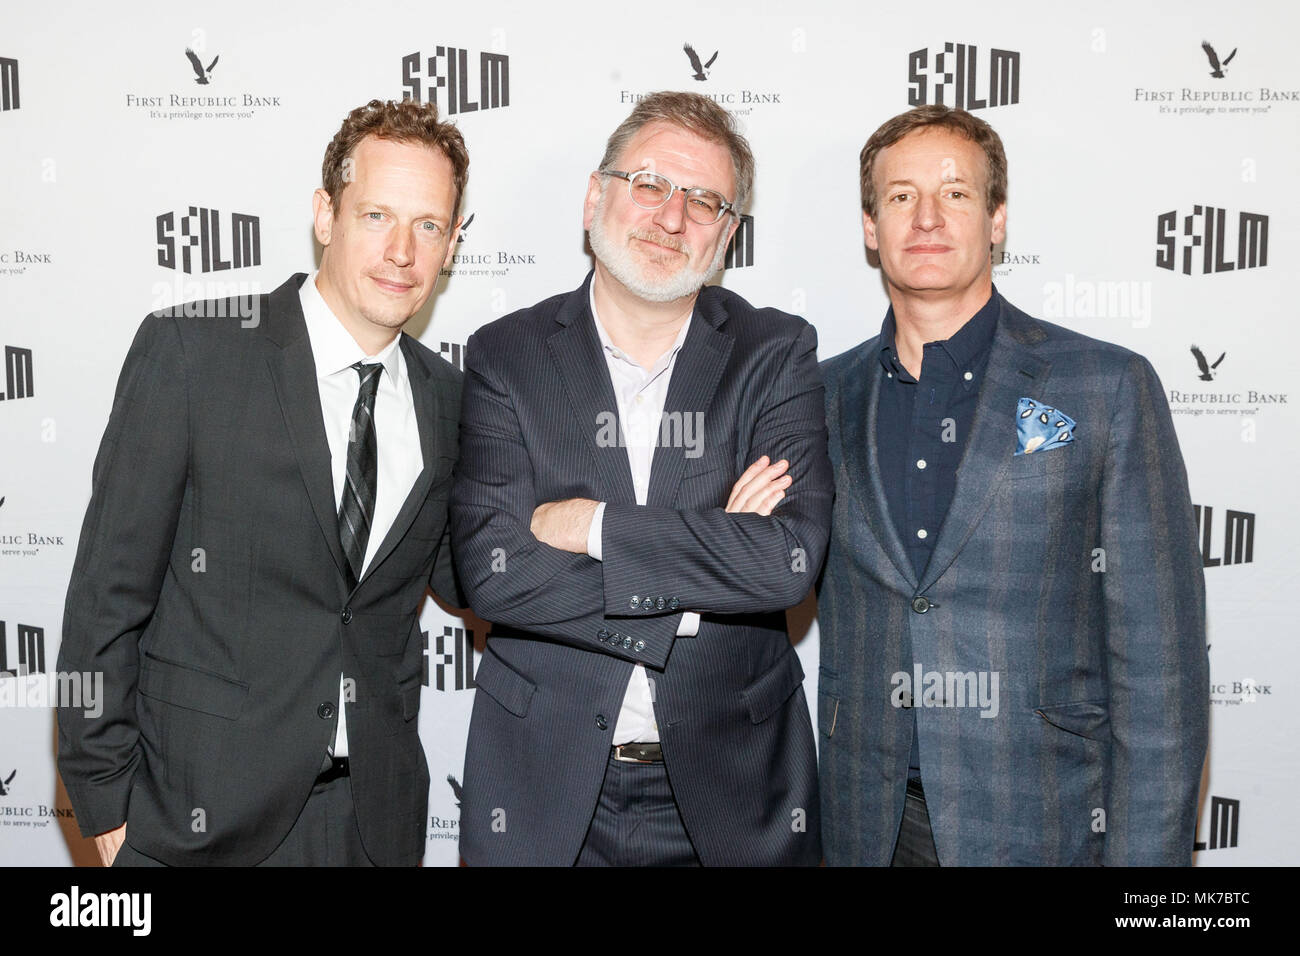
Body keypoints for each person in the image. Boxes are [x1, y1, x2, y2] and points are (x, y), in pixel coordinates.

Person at [56, 98, 467, 866]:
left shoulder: (448, 398)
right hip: (192, 821)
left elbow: (472, 572)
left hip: (369, 826)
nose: (403, 251)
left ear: (451, 245)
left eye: (430, 226)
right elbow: (105, 598)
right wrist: (107, 806)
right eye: (377, 215)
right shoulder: (192, 352)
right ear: (325, 213)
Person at [817, 104, 1209, 866]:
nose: (926, 216)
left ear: (997, 221)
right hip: (866, 827)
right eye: (900, 196)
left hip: (1047, 823)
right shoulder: (818, 397)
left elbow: (1160, 671)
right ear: (871, 227)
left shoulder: (1105, 387)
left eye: (956, 194)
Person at [450, 91, 832, 866]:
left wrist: (591, 527)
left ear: (726, 233)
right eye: (650, 183)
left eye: (704, 200)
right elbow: (493, 574)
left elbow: (785, 561)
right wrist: (699, 575)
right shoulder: (505, 355)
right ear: (597, 196)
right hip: (544, 791)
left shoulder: (776, 352)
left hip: (735, 792)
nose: (671, 216)